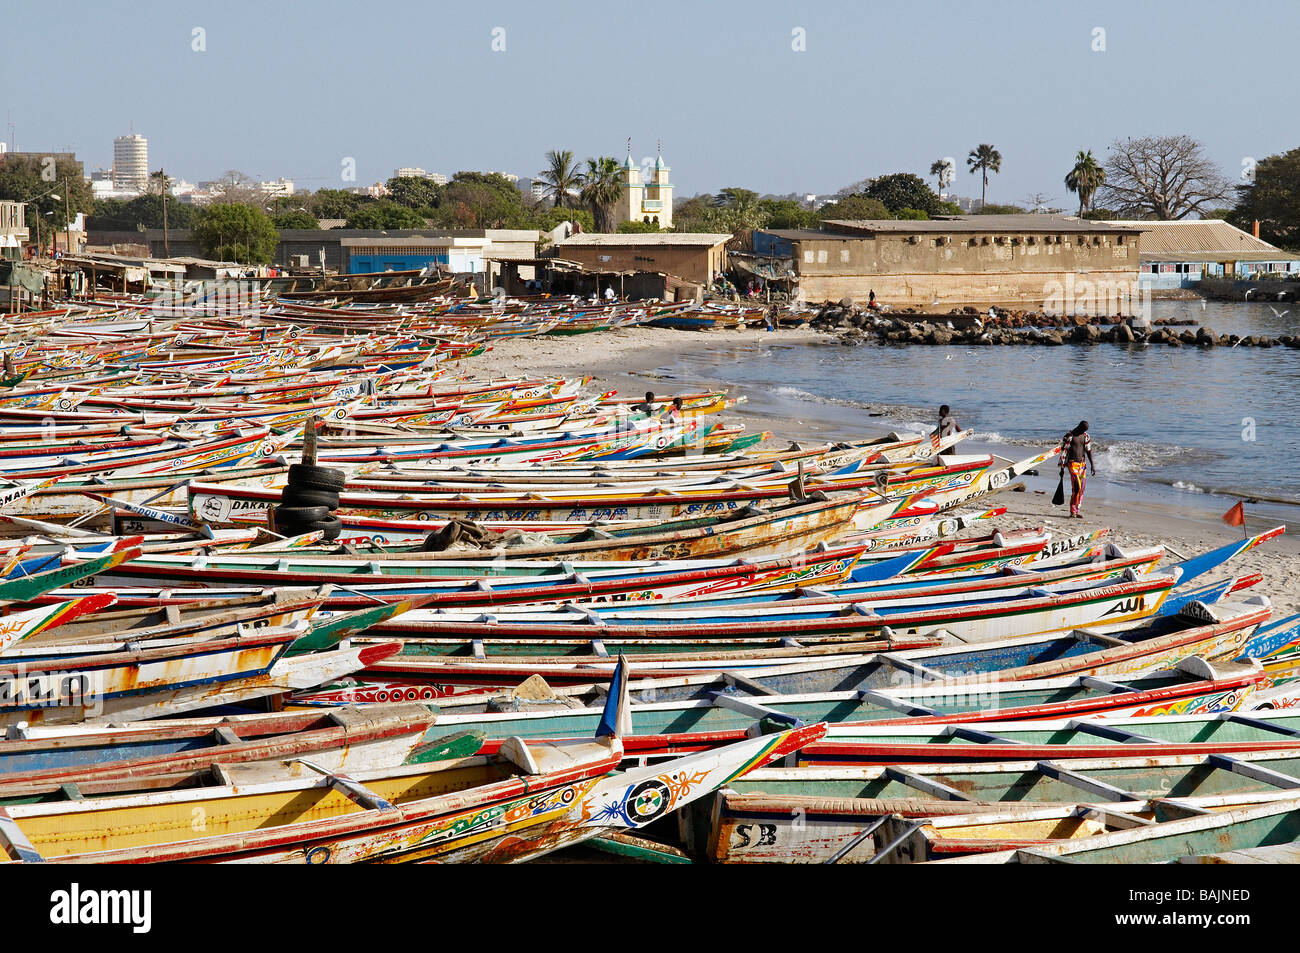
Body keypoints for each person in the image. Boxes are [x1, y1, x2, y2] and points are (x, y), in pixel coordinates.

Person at [1059, 420, 1096, 518]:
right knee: (1077, 487)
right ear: (1079, 426)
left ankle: (1076, 510)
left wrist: (1092, 465)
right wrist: (1062, 467)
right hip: (1072, 464)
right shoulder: (1069, 436)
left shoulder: (1086, 436)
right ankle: (1073, 510)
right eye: (1083, 429)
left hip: (1082, 465)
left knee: (1082, 488)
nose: (1084, 431)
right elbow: (1064, 452)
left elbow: (1088, 451)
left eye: (1085, 430)